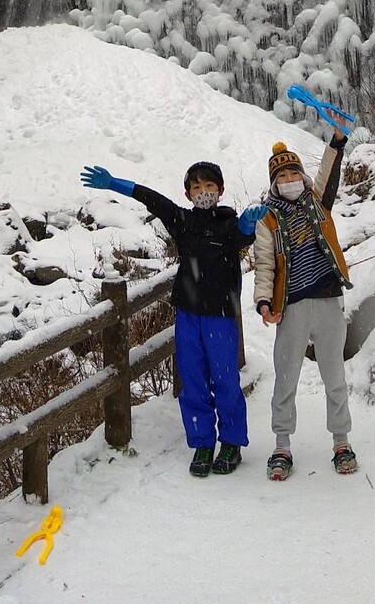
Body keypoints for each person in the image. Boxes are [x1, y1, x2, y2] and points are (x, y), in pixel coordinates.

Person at [80, 159, 266, 477]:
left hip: (220, 317)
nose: (203, 192)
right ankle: (203, 444)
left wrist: (249, 222)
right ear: (188, 193)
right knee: (192, 383)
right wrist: (113, 184)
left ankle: (232, 443)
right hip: (188, 315)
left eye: (209, 186)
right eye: (196, 187)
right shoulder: (182, 220)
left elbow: (243, 235)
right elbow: (149, 197)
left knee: (225, 381)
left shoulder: (228, 224)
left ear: (220, 191)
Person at [253, 117, 356, 480]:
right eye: (281, 178)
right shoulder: (266, 219)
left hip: (328, 301)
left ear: (301, 176)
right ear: (274, 184)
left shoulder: (318, 202)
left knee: (335, 376)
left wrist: (337, 140)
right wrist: (264, 301)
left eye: (293, 174)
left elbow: (328, 173)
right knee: (286, 378)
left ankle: (341, 442)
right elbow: (265, 264)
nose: (289, 181)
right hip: (292, 306)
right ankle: (282, 446)